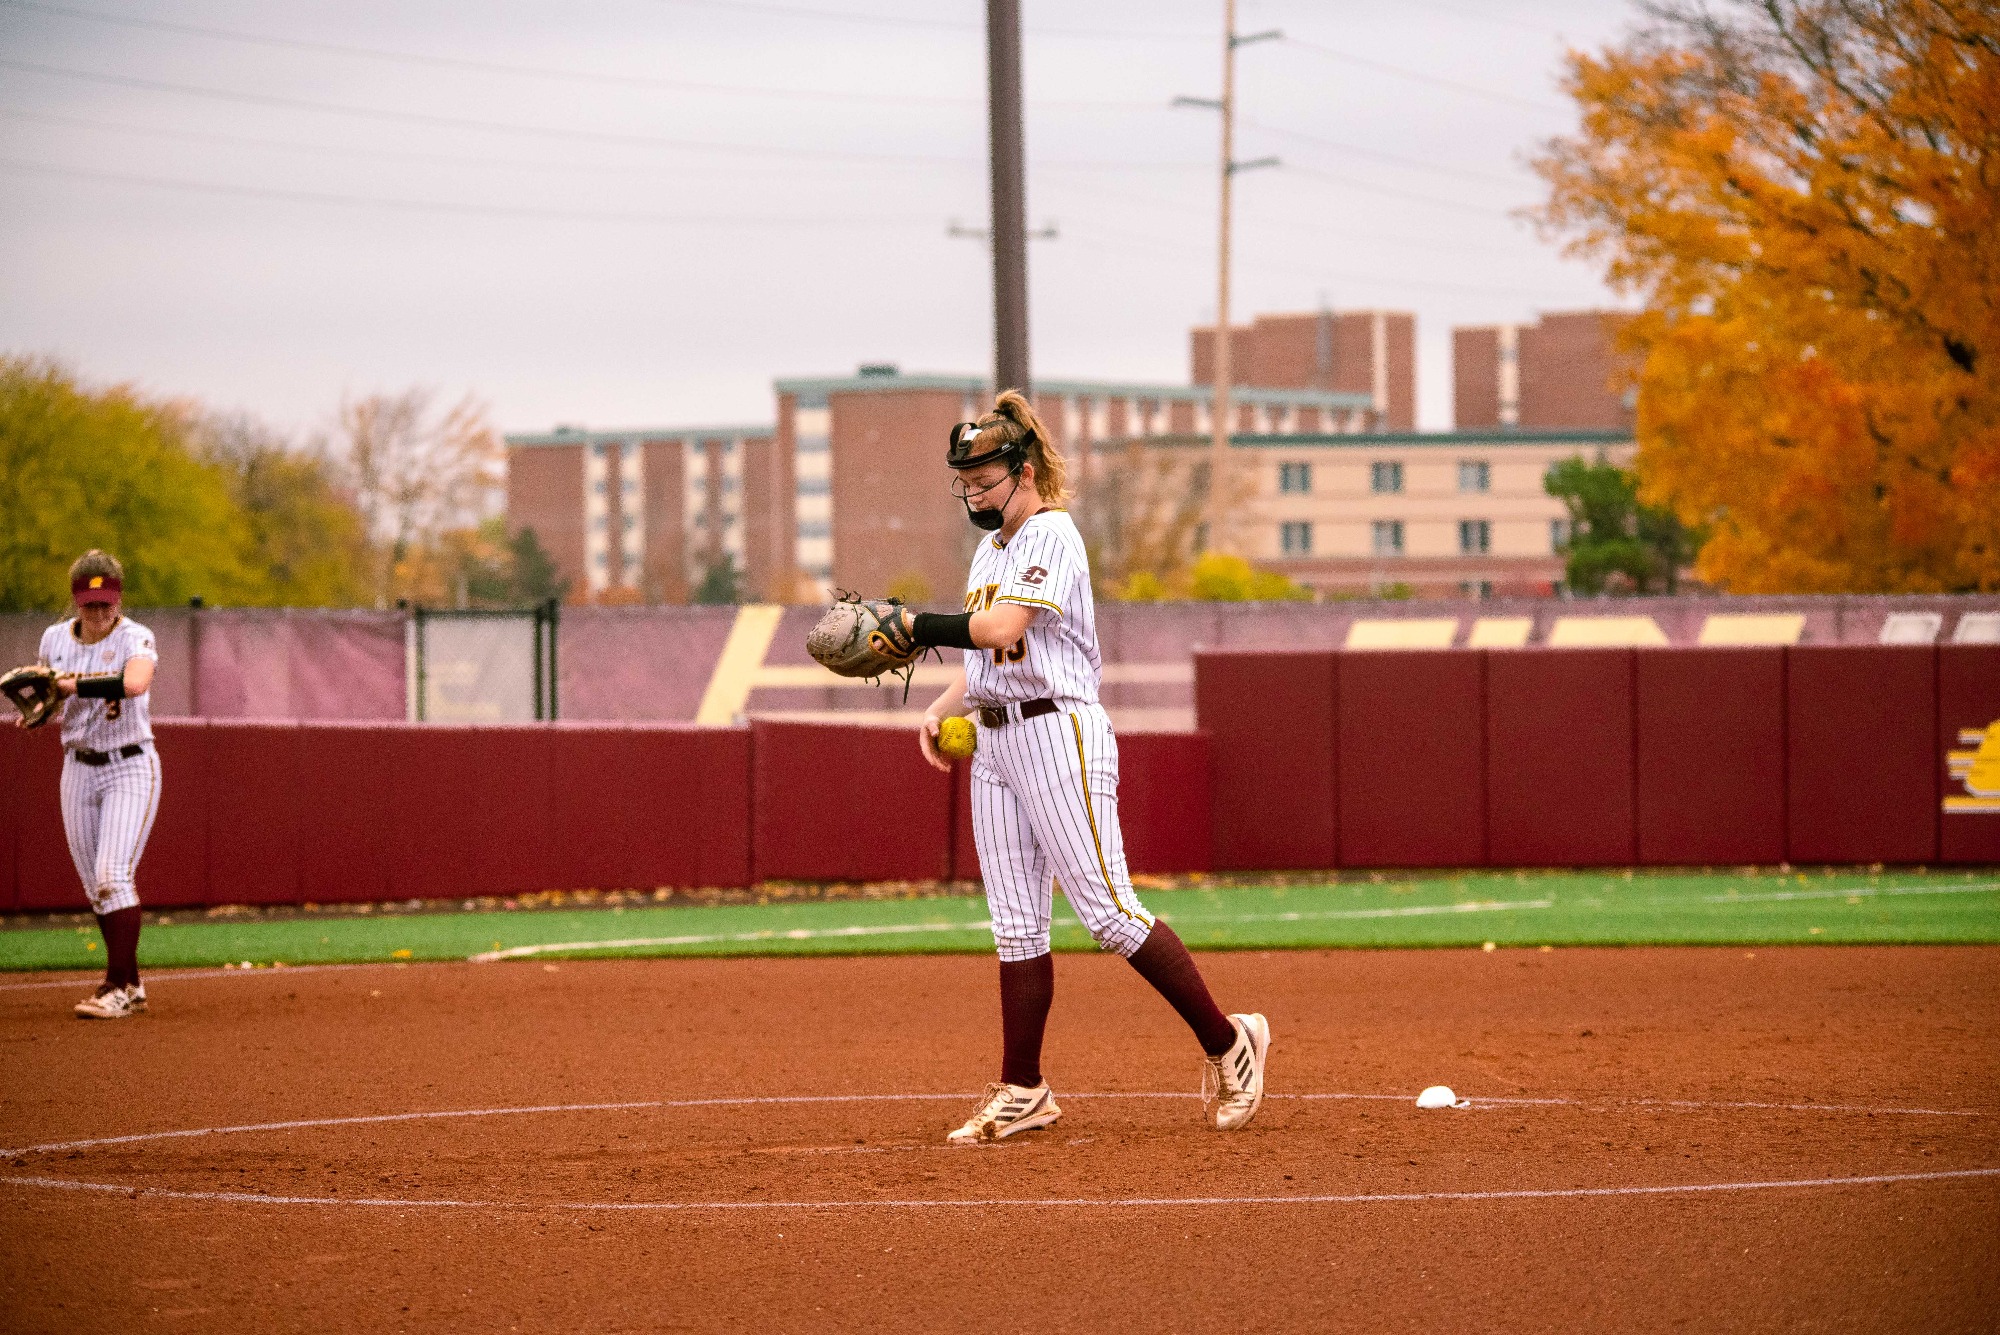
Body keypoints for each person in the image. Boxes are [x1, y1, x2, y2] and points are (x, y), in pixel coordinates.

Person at [901, 390, 1270, 1145]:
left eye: (985, 477)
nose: (973, 491)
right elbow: (990, 655)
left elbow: (1004, 623)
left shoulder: (1053, 533)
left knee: (1107, 911)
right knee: (1014, 925)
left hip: (1058, 733)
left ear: (1024, 469)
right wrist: (940, 705)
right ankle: (1024, 1087)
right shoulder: (990, 550)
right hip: (998, 741)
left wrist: (913, 626)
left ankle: (1231, 1042)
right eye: (965, 480)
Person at [28, 551, 161, 1019]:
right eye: (90, 604)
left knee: (113, 875)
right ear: (76, 601)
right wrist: (41, 710)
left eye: (106, 603)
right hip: (78, 767)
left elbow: (135, 683)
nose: (99, 613)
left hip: (129, 765)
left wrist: (71, 687)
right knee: (95, 886)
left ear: (118, 599)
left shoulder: (135, 636)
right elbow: (49, 699)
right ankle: (134, 983)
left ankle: (116, 986)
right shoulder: (54, 640)